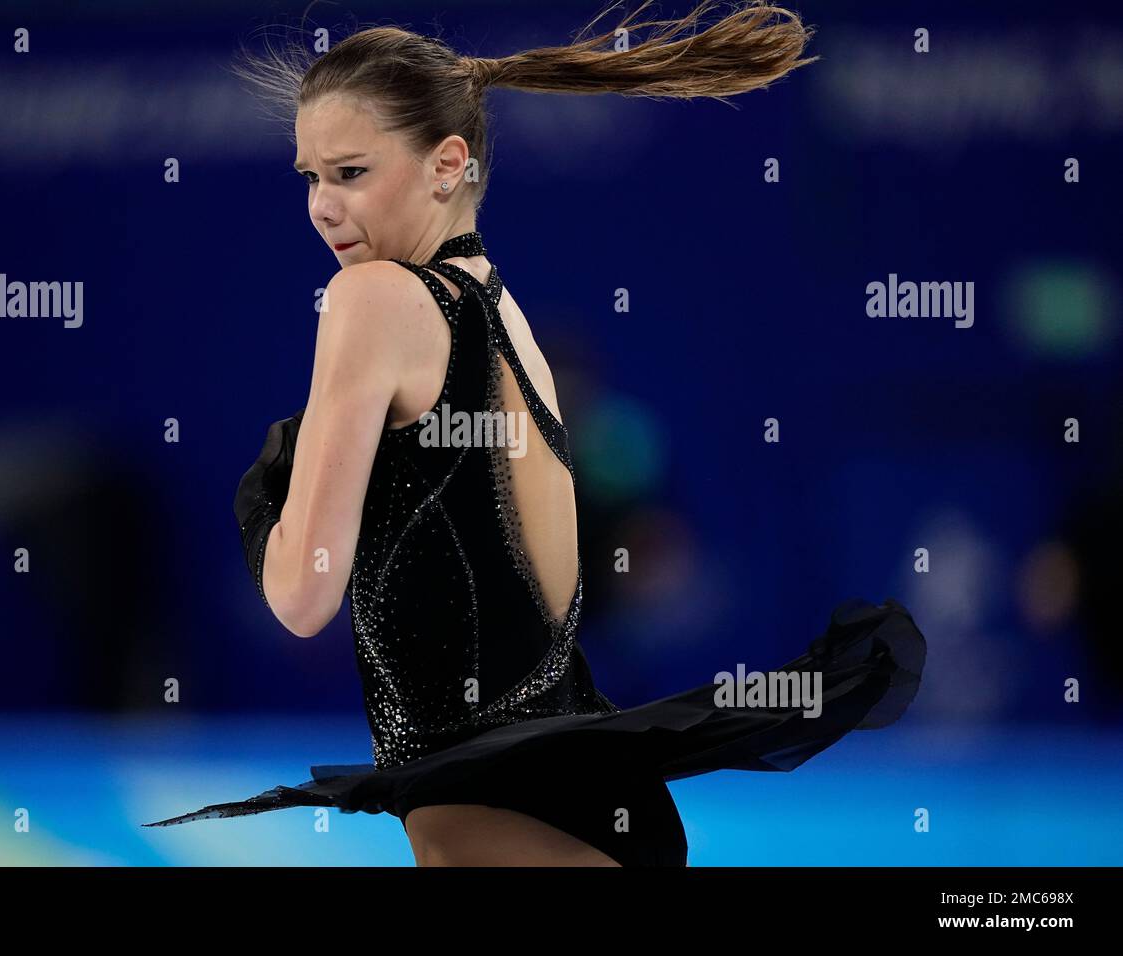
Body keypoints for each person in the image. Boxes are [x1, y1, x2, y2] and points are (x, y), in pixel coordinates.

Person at [143, 0, 928, 866]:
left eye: (351, 172)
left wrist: (263, 503)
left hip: (509, 807)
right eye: (308, 177)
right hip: (564, 803)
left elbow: (302, 598)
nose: (322, 208)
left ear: (447, 165)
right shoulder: (507, 321)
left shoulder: (374, 300)